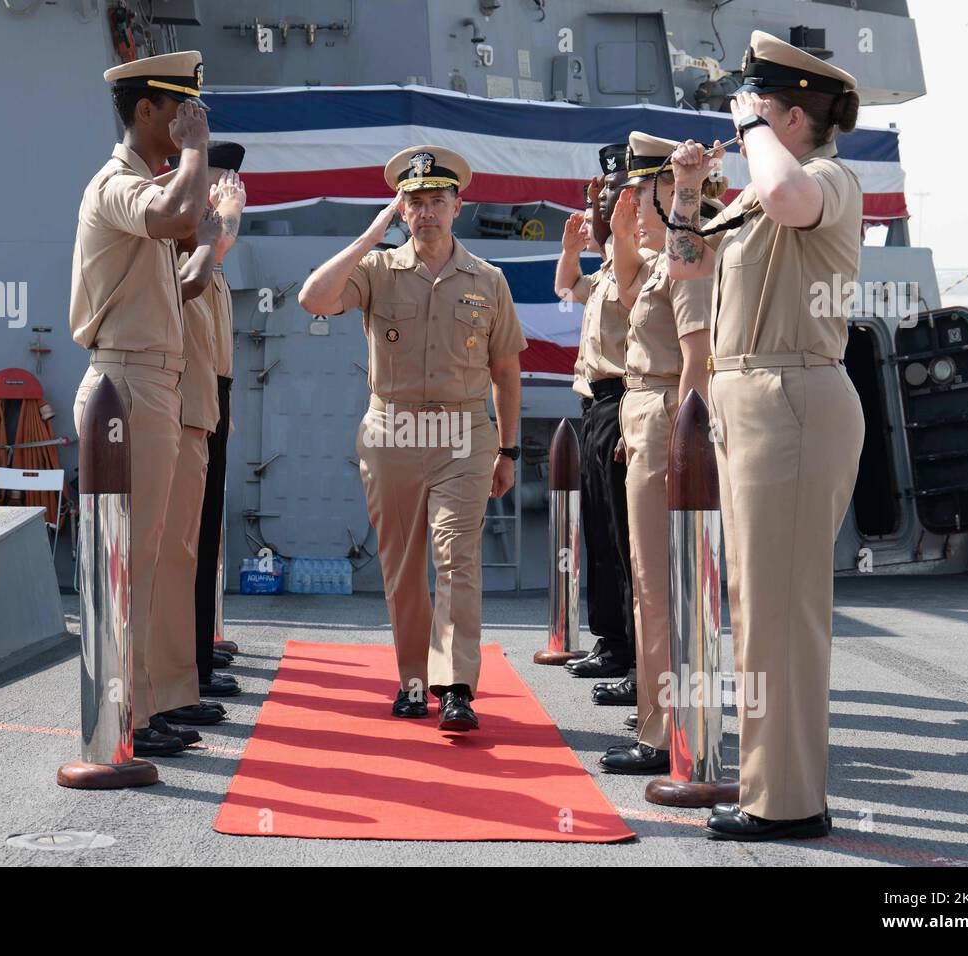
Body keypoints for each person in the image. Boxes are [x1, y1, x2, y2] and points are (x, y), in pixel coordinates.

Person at [665, 31, 866, 839]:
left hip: (793, 394)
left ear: (790, 116)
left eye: (754, 106)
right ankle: (764, 777)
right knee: (753, 607)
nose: (740, 120)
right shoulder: (759, 187)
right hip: (747, 399)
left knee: (783, 610)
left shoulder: (825, 178)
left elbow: (784, 198)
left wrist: (750, 130)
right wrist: (685, 189)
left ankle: (789, 803)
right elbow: (685, 263)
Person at [298, 146, 528, 731]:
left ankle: (456, 687)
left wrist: (507, 450)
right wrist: (371, 232)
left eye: (436, 202)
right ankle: (414, 680)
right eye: (415, 203)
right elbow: (314, 298)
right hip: (393, 431)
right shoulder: (376, 271)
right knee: (402, 566)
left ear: (458, 206)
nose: (426, 213)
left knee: (457, 559)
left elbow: (505, 372)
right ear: (403, 210)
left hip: (463, 435)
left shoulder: (489, 281)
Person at [69, 51, 212, 757]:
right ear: (147, 110)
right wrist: (195, 154)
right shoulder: (118, 185)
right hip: (126, 383)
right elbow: (181, 213)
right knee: (130, 558)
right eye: (181, 108)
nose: (191, 120)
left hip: (152, 380)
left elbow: (182, 261)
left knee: (147, 557)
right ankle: (123, 713)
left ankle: (142, 708)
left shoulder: (145, 185)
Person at [598, 132, 716, 774]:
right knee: (650, 584)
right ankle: (659, 721)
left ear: (672, 197)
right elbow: (627, 298)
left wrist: (680, 443)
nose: (635, 207)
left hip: (670, 416)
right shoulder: (661, 261)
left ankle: (666, 732)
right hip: (647, 413)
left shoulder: (688, 258)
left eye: (644, 195)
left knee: (662, 588)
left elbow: (697, 357)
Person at [553, 145, 650, 687]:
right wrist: (574, 245)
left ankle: (642, 656)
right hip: (594, 405)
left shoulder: (643, 262)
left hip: (623, 401)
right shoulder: (612, 267)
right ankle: (613, 641)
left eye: (614, 193)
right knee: (602, 531)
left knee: (628, 535)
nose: (602, 201)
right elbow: (566, 287)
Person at [189, 143, 248, 699]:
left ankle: (199, 655)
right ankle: (189, 667)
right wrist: (224, 215)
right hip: (186, 397)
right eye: (222, 177)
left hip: (210, 396)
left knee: (207, 533)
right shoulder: (189, 234)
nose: (232, 187)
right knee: (191, 534)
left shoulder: (213, 250)